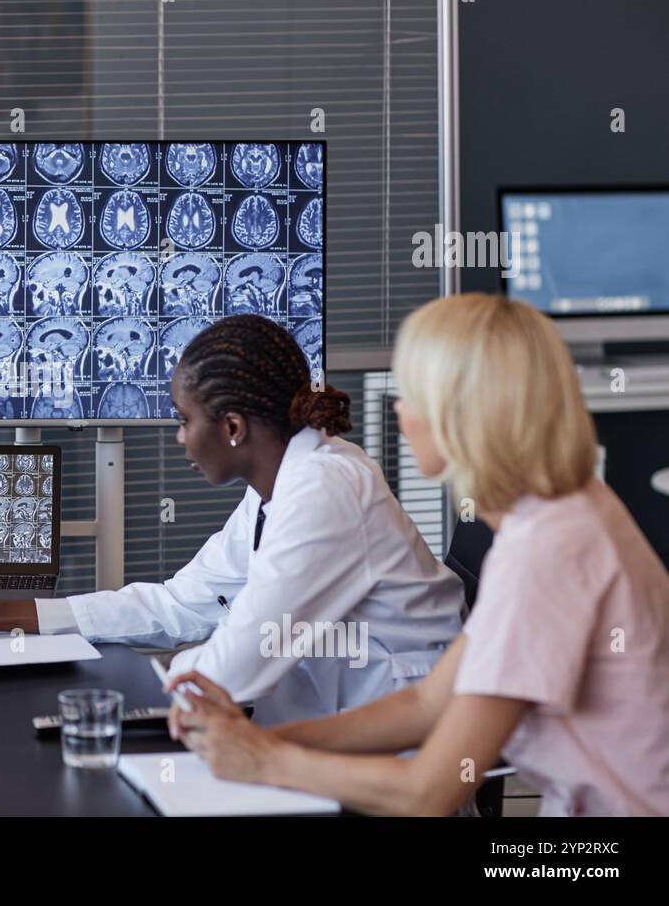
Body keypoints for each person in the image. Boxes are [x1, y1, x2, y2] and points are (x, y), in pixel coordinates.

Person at [169, 293, 669, 815]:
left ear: (459, 413)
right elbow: (428, 702)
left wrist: (266, 760)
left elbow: (429, 792)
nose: (399, 410)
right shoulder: (565, 513)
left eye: (411, 394)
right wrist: (267, 742)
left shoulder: (547, 555)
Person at [0, 314, 465, 725]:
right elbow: (179, 602)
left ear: (232, 427)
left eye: (184, 421)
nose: (180, 438)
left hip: (394, 759)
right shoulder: (281, 486)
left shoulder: (325, 490)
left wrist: (133, 684)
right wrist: (10, 613)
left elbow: (235, 668)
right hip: (318, 738)